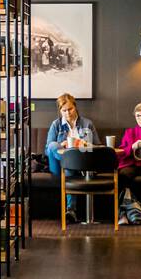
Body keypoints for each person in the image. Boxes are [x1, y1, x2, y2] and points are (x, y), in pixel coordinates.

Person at [44, 93, 97, 223]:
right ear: (60, 111)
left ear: (75, 107)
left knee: (69, 169)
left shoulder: (87, 123)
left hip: (80, 163)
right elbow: (47, 149)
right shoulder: (56, 125)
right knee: (53, 145)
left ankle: (71, 210)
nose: (68, 113)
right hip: (57, 164)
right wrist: (62, 145)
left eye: (70, 109)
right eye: (64, 110)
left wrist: (85, 144)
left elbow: (96, 147)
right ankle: (69, 161)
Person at [114, 102, 141, 226]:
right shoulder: (130, 132)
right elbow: (121, 152)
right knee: (122, 175)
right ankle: (122, 213)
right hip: (133, 164)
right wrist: (132, 147)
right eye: (138, 116)